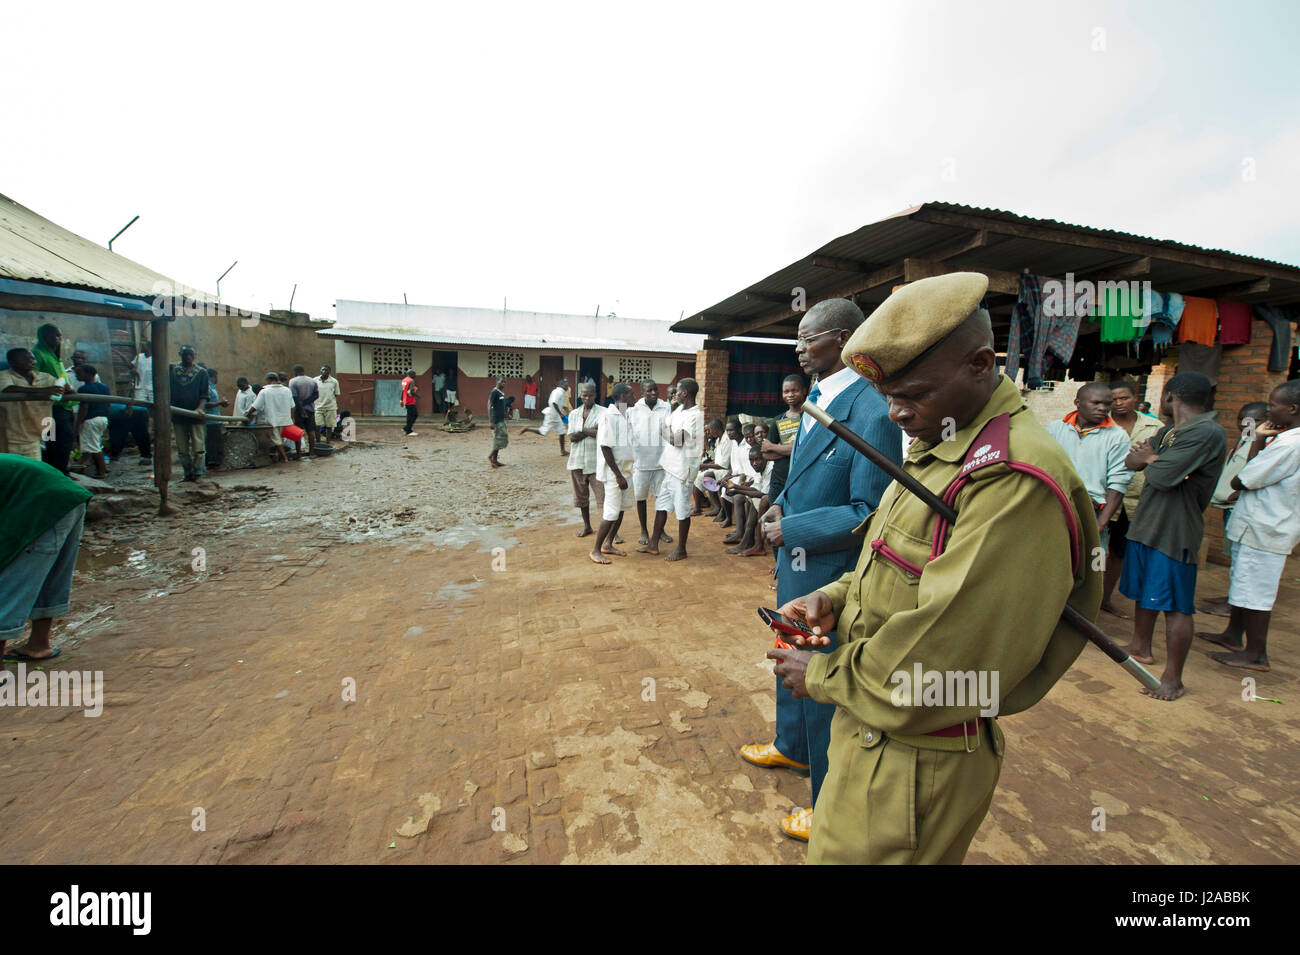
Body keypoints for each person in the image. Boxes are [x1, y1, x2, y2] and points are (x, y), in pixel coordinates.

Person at [767, 272, 1101, 863]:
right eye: (888, 395)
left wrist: (820, 676)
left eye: (913, 393)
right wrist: (837, 596)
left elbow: (950, 655)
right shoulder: (942, 443)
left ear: (979, 363)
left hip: (917, 755)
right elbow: (893, 560)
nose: (895, 413)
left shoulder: (1009, 480)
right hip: (875, 729)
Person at [745, 297, 900, 843]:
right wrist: (780, 504)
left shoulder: (873, 410)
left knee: (821, 684)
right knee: (789, 663)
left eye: (807, 338)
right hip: (797, 567)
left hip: (828, 576)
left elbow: (871, 511)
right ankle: (791, 748)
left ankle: (827, 801)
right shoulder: (817, 397)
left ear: (842, 338)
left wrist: (797, 529)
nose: (798, 348)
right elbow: (804, 475)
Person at [1119, 372, 1226, 701]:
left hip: (1175, 530)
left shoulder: (1208, 432)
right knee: (1143, 592)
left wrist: (1152, 460)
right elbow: (1131, 460)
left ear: (1170, 397)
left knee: (1177, 605)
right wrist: (1152, 459)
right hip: (1147, 524)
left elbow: (1162, 475)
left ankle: (1172, 679)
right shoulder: (1170, 432)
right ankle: (1140, 646)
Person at [1196, 381, 1300, 673]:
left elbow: (1242, 479)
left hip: (1267, 528)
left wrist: (1256, 440)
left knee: (1256, 593)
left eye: (1273, 405)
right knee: (1244, 584)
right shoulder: (1287, 439)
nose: (1269, 410)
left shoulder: (1290, 443)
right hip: (1260, 525)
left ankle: (1255, 654)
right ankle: (1232, 634)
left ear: (1291, 409)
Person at [0, 454, 93, 673]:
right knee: (49, 575)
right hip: (67, 498)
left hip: (44, 503)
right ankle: (38, 645)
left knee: (13, 581)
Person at [1100, 378, 1165, 617]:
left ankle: (1105, 598)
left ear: (1135, 398)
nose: (1119, 403)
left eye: (1124, 398)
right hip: (1104, 497)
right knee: (1098, 550)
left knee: (1119, 551)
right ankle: (1091, 596)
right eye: (1114, 399)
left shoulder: (1154, 426)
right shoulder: (1101, 423)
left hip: (1135, 500)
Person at [1199, 401, 1270, 616]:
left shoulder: (1263, 444)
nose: (1245, 424)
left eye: (1253, 420)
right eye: (1242, 419)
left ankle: (1235, 605)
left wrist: (1240, 491)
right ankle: (1233, 596)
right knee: (1234, 555)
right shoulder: (1243, 441)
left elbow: (1255, 473)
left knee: (1242, 559)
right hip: (1228, 506)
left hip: (1241, 506)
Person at [1045, 382, 1132, 551]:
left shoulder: (1117, 436)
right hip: (1054, 507)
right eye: (1096, 403)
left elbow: (1119, 482)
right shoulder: (1056, 428)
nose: (1103, 408)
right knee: (1055, 561)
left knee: (1094, 564)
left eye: (1107, 404)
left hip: (1091, 513)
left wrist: (1101, 524)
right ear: (1077, 403)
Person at [640, 378, 704, 560]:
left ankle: (681, 549)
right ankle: (653, 544)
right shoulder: (679, 411)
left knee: (682, 510)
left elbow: (678, 440)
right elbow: (665, 429)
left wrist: (669, 434)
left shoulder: (695, 415)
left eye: (678, 391)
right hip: (670, 467)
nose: (675, 394)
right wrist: (669, 434)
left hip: (683, 470)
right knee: (661, 505)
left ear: (685, 393)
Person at [591, 382, 637, 564]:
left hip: (625, 470)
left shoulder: (625, 415)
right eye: (632, 394)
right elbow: (605, 448)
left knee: (621, 509)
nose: (635, 397)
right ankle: (595, 550)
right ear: (623, 396)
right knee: (610, 512)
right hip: (614, 473)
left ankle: (608, 544)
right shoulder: (609, 416)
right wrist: (617, 475)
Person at [0, 348, 65, 459]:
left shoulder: (45, 377)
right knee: (11, 472)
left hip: (33, 437)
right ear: (12, 362)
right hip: (9, 438)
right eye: (24, 359)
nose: (31, 361)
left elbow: (58, 388)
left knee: (32, 471)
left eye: (32, 358)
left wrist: (67, 390)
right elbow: (7, 389)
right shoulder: (4, 375)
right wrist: (42, 391)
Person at [629, 380, 672, 546]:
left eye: (655, 390)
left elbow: (670, 430)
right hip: (641, 463)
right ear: (642, 393)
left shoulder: (666, 407)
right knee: (641, 498)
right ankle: (644, 530)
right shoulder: (634, 409)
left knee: (662, 498)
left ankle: (660, 530)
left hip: (661, 463)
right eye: (649, 391)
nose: (653, 393)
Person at [32, 323, 76, 474]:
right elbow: (34, 378)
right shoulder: (38, 354)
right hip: (50, 408)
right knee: (55, 441)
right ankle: (58, 472)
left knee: (65, 440)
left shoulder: (55, 356)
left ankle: (61, 471)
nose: (58, 339)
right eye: (55, 335)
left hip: (64, 406)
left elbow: (61, 377)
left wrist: (68, 388)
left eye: (60, 336)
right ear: (45, 337)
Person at [566, 383, 604, 537]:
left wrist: (581, 430)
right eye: (584, 395)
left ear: (595, 395)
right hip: (577, 461)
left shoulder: (603, 412)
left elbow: (602, 433)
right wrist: (590, 430)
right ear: (580, 395)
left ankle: (611, 531)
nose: (587, 398)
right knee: (582, 497)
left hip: (596, 462)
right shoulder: (574, 413)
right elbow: (572, 438)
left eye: (590, 395)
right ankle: (587, 526)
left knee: (604, 498)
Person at [169, 345, 210, 481]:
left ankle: (198, 472)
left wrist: (199, 408)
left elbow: (204, 395)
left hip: (195, 415)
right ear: (180, 354)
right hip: (178, 415)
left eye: (190, 354)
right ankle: (187, 472)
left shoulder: (201, 372)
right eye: (185, 354)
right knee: (182, 448)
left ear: (195, 355)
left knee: (198, 447)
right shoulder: (172, 370)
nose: (188, 357)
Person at [764, 374, 807, 503]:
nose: (790, 395)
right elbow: (766, 454)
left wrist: (774, 447)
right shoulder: (778, 420)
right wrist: (791, 450)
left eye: (795, 390)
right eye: (786, 391)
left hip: (802, 479)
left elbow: (806, 449)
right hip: (779, 480)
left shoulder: (809, 418)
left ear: (804, 391)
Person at [73, 365, 111, 479]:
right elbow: (108, 404)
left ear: (89, 375)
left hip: (91, 420)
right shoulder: (104, 387)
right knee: (97, 444)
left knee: (94, 447)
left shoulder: (84, 389)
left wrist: (78, 423)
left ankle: (101, 472)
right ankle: (104, 467)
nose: (77, 376)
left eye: (79, 374)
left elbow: (84, 408)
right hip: (103, 418)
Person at [248, 372, 293, 463]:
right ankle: (277, 455)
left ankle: (284, 458)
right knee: (279, 438)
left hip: (273, 419)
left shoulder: (265, 391)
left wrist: (248, 414)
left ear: (268, 380)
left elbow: (255, 406)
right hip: (285, 419)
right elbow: (292, 406)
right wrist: (291, 418)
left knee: (276, 439)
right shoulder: (287, 390)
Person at [521, 380, 569, 454]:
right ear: (561, 385)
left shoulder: (560, 392)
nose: (567, 387)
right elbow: (553, 403)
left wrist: (563, 408)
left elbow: (557, 403)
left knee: (562, 432)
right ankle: (528, 429)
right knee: (543, 432)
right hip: (552, 415)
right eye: (566, 385)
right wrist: (560, 414)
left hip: (556, 416)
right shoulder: (558, 392)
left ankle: (562, 450)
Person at [288, 365, 318, 454]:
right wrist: (306, 402)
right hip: (310, 410)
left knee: (298, 432)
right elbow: (316, 395)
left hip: (298, 410)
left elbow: (294, 397)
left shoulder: (293, 381)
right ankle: (312, 453)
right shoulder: (312, 381)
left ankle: (299, 454)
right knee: (311, 432)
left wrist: (301, 409)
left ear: (295, 372)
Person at [205, 368, 229, 469]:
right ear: (213, 376)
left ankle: (215, 462)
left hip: (215, 418)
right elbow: (206, 404)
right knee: (212, 443)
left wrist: (221, 404)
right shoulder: (207, 387)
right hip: (210, 420)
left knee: (216, 442)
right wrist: (220, 402)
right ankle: (212, 463)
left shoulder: (212, 387)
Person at [488, 376, 510, 468]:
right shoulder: (494, 392)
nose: (503, 384)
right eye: (502, 382)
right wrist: (491, 421)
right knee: (498, 439)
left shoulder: (501, 393)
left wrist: (506, 414)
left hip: (501, 419)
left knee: (502, 438)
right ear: (497, 381)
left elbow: (500, 406)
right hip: (496, 420)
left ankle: (495, 460)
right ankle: (490, 457)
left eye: (505, 382)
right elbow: (489, 405)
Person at [315, 366, 340, 439]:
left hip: (331, 407)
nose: (324, 371)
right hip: (318, 407)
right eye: (323, 370)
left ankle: (328, 441)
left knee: (329, 426)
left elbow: (336, 394)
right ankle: (318, 442)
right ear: (320, 371)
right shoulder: (315, 380)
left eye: (326, 370)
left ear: (329, 372)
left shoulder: (334, 381)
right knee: (317, 425)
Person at [400, 368, 419, 436]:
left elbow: (403, 391)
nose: (415, 375)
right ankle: (408, 430)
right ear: (411, 374)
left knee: (410, 415)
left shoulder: (404, 380)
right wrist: (418, 395)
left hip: (406, 400)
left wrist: (401, 400)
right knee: (414, 415)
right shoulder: (411, 381)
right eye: (414, 374)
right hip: (410, 400)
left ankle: (406, 428)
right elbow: (411, 391)